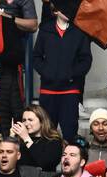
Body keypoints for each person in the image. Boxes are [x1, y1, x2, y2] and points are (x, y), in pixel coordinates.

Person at [32, 4, 92, 141]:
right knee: (47, 135)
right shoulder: (45, 30)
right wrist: (47, 72)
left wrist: (71, 74)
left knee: (70, 133)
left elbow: (86, 60)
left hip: (70, 91)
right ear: (56, 11)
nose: (69, 11)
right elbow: (36, 57)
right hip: (48, 91)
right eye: (65, 8)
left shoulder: (79, 31)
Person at [12, 105, 65, 172]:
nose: (26, 123)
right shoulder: (20, 141)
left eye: (30, 120)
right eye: (24, 120)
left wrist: (26, 138)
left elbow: (45, 163)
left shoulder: (54, 141)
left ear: (42, 121)